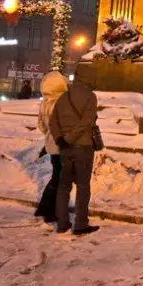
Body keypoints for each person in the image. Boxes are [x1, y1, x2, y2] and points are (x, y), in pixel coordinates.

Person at [49, 75, 100, 236]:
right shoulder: (90, 97)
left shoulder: (63, 97)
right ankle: (80, 224)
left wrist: (60, 139)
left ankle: (62, 223)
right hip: (83, 147)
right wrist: (70, 138)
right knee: (83, 187)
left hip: (65, 148)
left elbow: (52, 121)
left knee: (63, 186)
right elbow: (87, 122)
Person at [34, 72, 69, 223]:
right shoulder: (62, 103)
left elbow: (41, 126)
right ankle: (48, 209)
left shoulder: (44, 103)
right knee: (59, 179)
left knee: (57, 176)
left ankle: (45, 208)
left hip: (51, 144)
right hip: (62, 144)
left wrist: (48, 134)